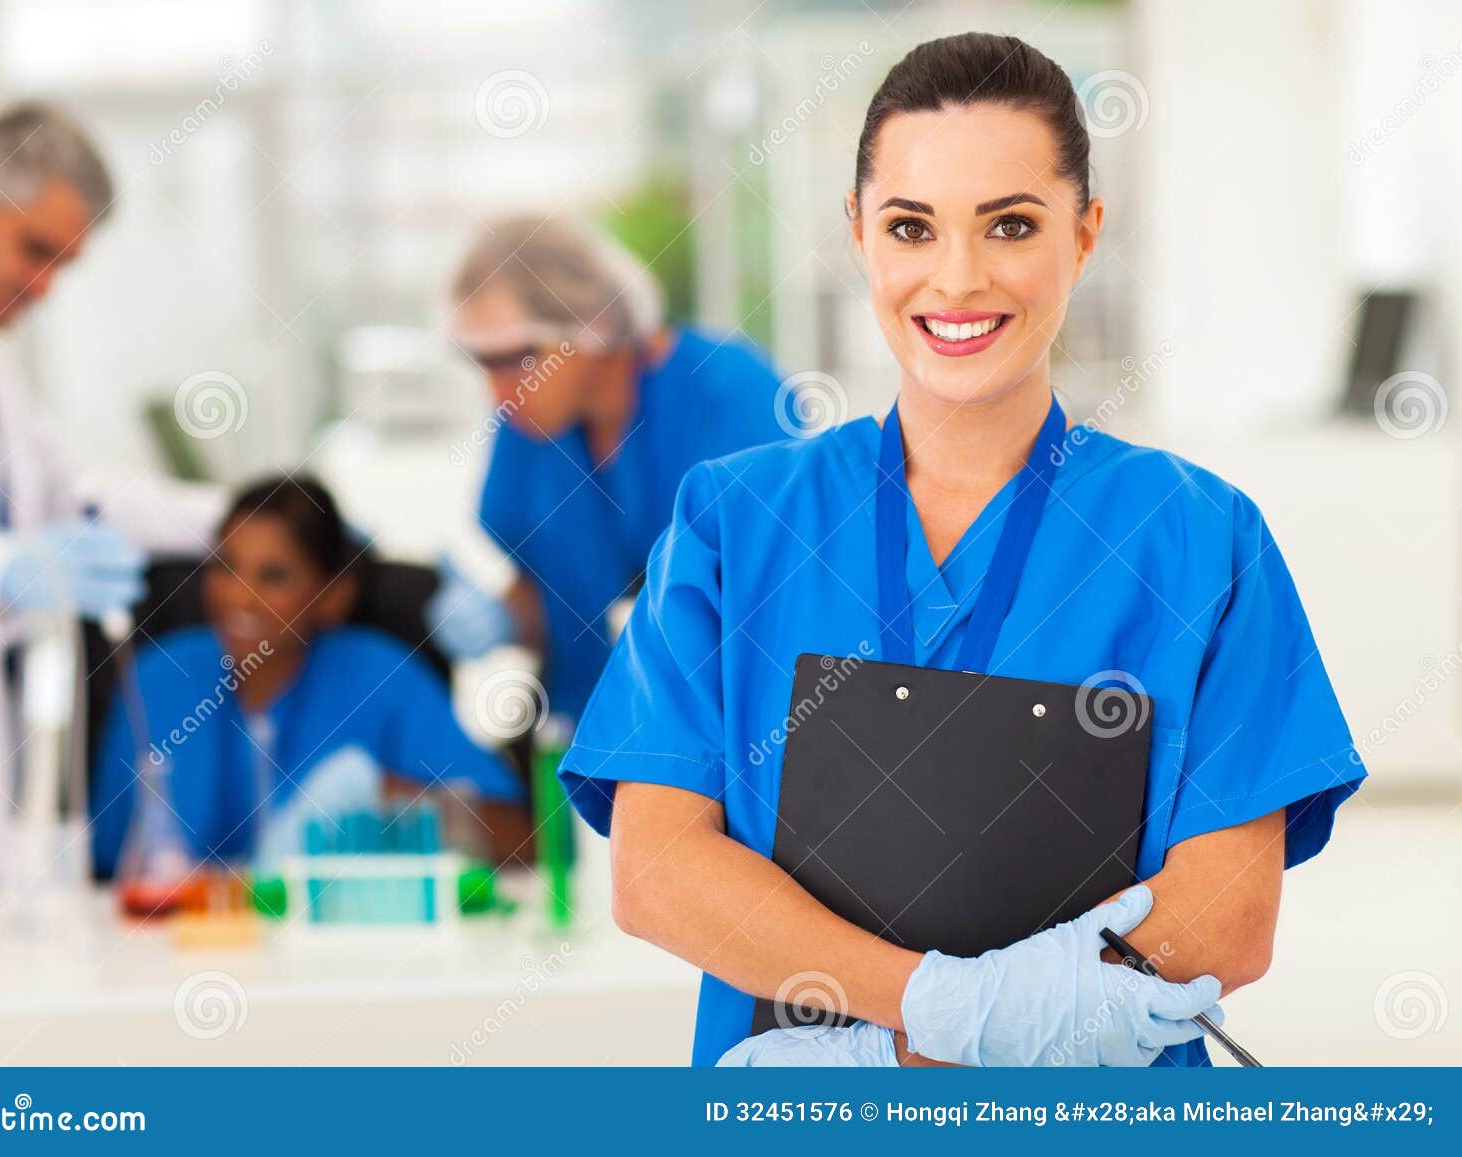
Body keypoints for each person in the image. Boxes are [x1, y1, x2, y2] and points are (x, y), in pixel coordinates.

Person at [558, 33, 1365, 1068]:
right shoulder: (732, 522)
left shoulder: (1200, 536)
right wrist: (945, 1004)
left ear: (1084, 234)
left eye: (1012, 225)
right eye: (910, 226)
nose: (958, 278)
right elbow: (659, 866)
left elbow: (1225, 915)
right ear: (857, 234)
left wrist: (905, 1052)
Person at [0, 104, 217, 877]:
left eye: (64, 265)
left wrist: (240, 514)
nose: (45, 287)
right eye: (35, 250)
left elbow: (74, 499)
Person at [426, 216, 794, 722]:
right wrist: (505, 617)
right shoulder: (529, 431)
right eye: (482, 364)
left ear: (592, 321)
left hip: (732, 741)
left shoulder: (730, 397)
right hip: (587, 739)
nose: (498, 393)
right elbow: (558, 599)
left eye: (516, 359)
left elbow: (790, 594)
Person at [91, 477, 526, 877]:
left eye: (274, 576)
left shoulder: (380, 678)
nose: (239, 597)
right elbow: (105, 864)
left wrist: (380, 797)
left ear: (334, 596)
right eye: (225, 566)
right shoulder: (158, 679)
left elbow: (520, 835)